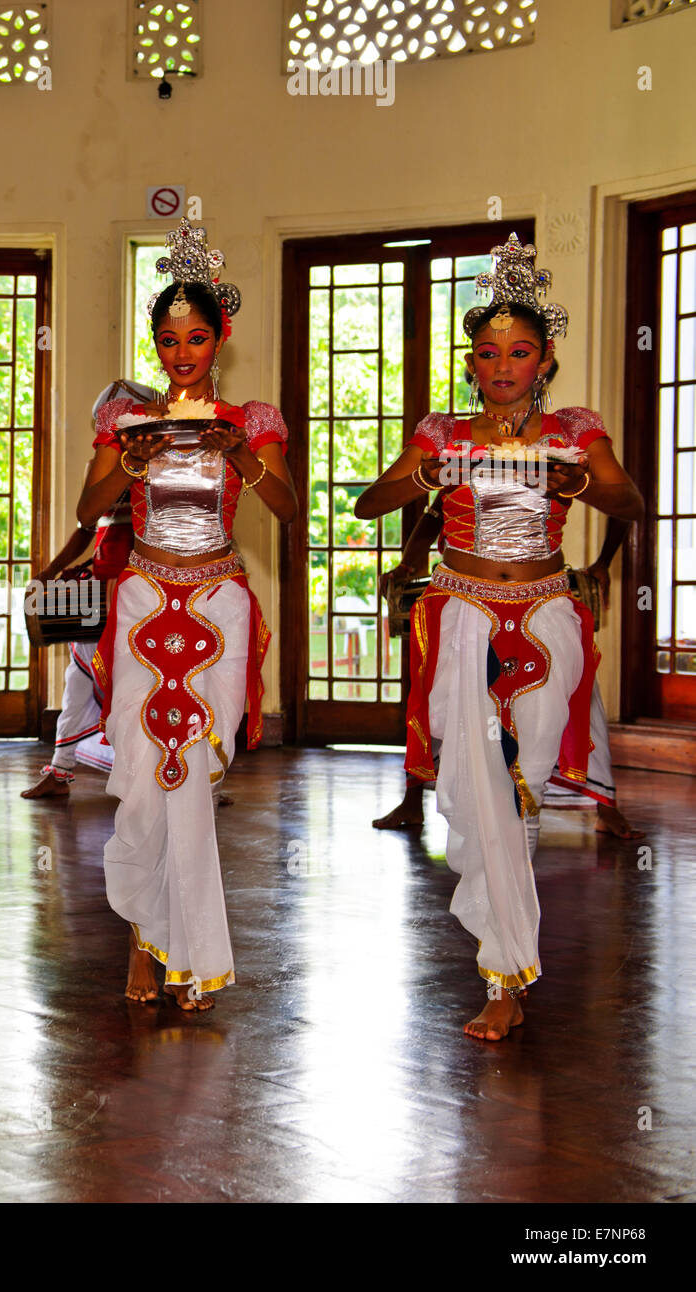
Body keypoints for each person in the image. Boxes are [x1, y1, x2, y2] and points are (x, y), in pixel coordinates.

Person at [354, 233, 644, 1041]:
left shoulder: (577, 428)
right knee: (479, 786)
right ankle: (502, 974)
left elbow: (627, 504)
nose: (504, 365)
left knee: (527, 783)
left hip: (547, 611)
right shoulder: (442, 432)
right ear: (473, 362)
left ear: (545, 358)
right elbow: (370, 506)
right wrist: (426, 473)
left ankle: (507, 953)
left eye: (520, 351)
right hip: (462, 613)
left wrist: (577, 479)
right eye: (488, 353)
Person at [79, 218, 297, 1011]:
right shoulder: (126, 422)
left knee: (197, 772)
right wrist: (130, 461)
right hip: (142, 598)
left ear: (219, 340)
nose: (181, 353)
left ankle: (190, 951)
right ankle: (146, 936)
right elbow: (88, 504)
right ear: (155, 344)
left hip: (220, 603)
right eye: (168, 340)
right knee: (142, 774)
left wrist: (238, 451)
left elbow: (289, 506)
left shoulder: (253, 419)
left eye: (196, 338)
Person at [374, 506, 643, 838]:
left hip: (539, 600)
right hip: (467, 600)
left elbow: (621, 498)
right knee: (441, 698)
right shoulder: (461, 455)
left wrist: (603, 562)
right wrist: (406, 564)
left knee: (576, 694)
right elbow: (434, 516)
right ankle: (414, 800)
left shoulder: (554, 454)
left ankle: (604, 806)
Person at [22, 379, 152, 800]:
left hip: (148, 586)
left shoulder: (167, 462)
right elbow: (85, 529)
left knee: (151, 683)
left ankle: (183, 779)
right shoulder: (100, 466)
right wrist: (51, 571)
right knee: (79, 679)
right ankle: (60, 772)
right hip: (100, 587)